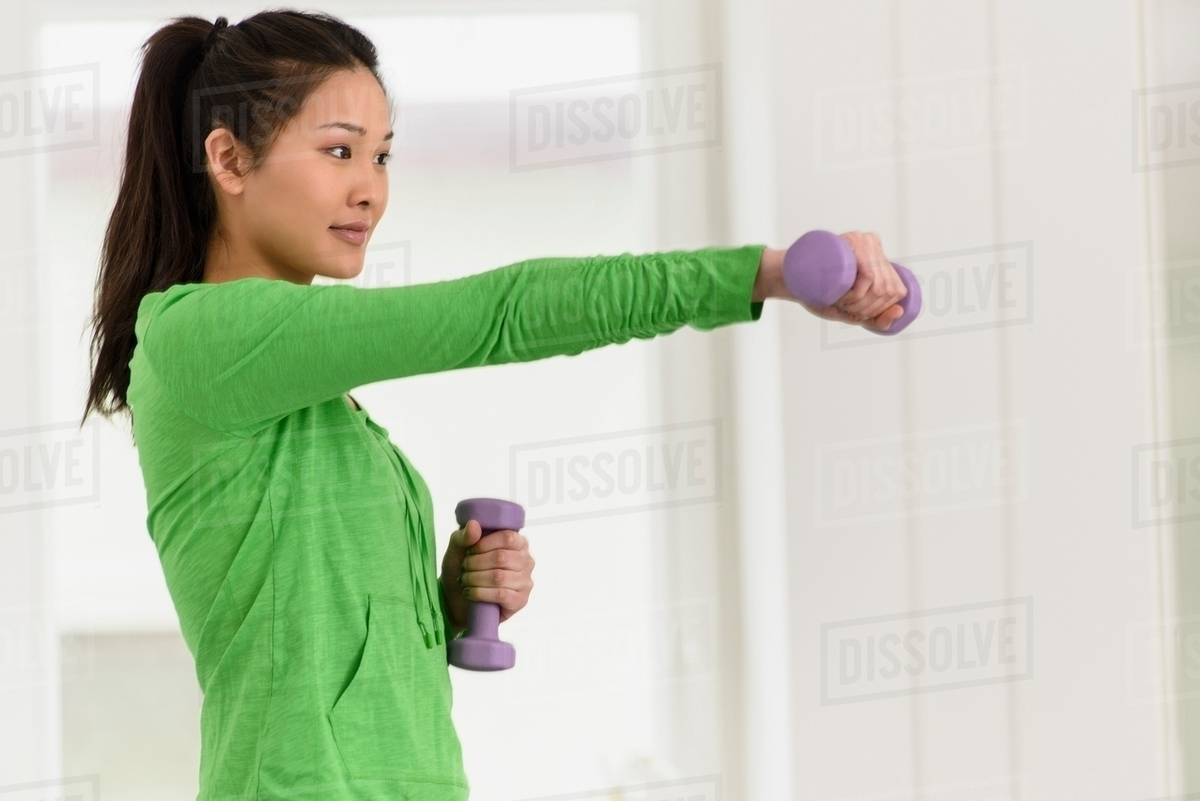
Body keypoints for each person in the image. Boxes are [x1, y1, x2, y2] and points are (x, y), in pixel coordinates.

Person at [79, 9, 907, 801]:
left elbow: (310, 638)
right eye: (339, 151)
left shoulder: (311, 394)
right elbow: (500, 313)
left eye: (382, 157)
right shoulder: (205, 336)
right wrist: (762, 273)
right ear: (227, 161)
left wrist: (440, 603)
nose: (369, 189)